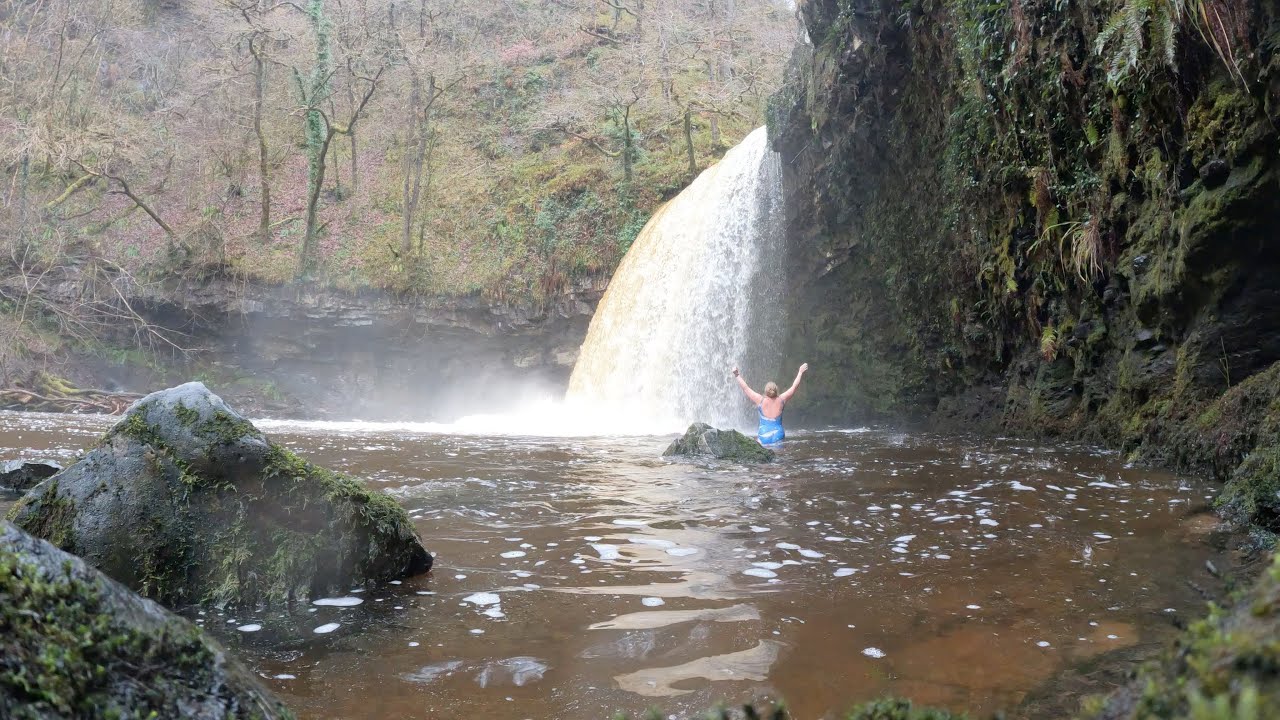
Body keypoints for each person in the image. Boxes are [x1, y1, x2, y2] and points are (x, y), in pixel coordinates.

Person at [733, 363, 809, 446]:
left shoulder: (759, 400)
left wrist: (737, 375)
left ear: (766, 391)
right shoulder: (781, 399)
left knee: (763, 451)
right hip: (778, 433)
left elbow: (745, 388)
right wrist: (800, 372)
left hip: (763, 434)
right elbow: (794, 387)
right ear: (776, 390)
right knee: (779, 452)